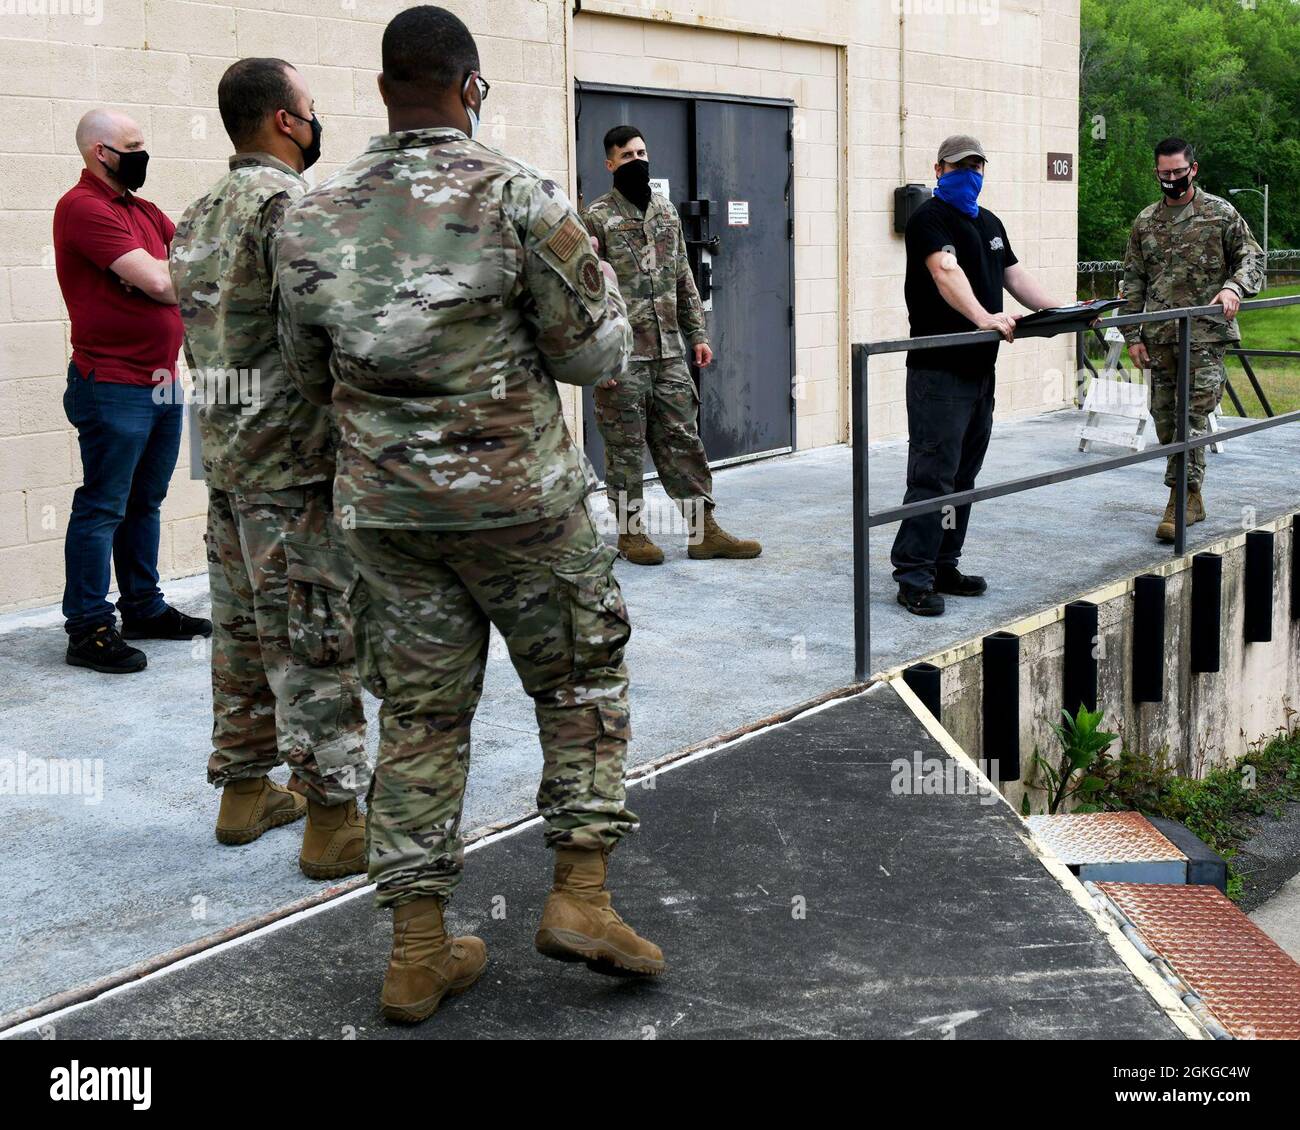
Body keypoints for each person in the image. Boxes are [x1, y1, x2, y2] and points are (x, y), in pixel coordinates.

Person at [275, 5, 663, 1025]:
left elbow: (307, 375)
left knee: (419, 716)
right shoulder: (519, 195)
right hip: (520, 505)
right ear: (471, 86)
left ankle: (416, 953)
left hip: (386, 515)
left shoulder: (310, 216)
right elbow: (594, 353)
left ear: (382, 91)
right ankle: (580, 897)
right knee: (579, 682)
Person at [169, 58, 370, 875]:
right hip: (293, 466)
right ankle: (334, 820)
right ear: (286, 121)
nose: (317, 122)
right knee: (313, 636)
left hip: (227, 459)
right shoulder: (291, 209)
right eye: (311, 108)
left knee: (243, 633)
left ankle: (245, 792)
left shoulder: (197, 212)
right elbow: (324, 337)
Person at [53, 110, 211, 672]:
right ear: (101, 152)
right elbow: (166, 281)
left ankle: (143, 607)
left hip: (162, 380)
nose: (143, 154)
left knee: (146, 501)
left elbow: (197, 261)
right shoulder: (84, 208)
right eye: (133, 145)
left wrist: (156, 278)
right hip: (112, 383)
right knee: (103, 505)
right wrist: (158, 278)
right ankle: (88, 628)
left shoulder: (142, 210)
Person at [891, 134, 1068, 616]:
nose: (969, 173)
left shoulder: (989, 223)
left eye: (976, 166)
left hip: (979, 371)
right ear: (939, 169)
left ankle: (943, 563)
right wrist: (983, 318)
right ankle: (913, 576)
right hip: (938, 372)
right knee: (932, 476)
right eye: (959, 166)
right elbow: (945, 271)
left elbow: (1015, 277)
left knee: (963, 476)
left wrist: (1066, 312)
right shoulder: (928, 218)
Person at [581, 125, 761, 566]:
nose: (637, 161)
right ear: (609, 164)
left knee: (684, 441)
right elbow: (584, 294)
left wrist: (697, 334)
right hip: (622, 359)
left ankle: (705, 533)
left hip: (669, 354)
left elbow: (682, 277)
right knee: (625, 449)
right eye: (627, 156)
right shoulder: (596, 218)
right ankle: (631, 535)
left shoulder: (665, 212)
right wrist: (598, 360)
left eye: (642, 153)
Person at [1121, 137, 1265, 542]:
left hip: (1204, 336)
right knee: (1165, 419)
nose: (1171, 179)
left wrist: (1235, 287)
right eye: (1164, 173)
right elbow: (1133, 281)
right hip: (1159, 338)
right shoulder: (1145, 221)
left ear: (1193, 169)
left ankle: (1180, 498)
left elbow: (1252, 257)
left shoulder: (1219, 213)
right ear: (1156, 172)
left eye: (1178, 172)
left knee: (1193, 417)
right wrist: (1132, 334)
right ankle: (1193, 496)